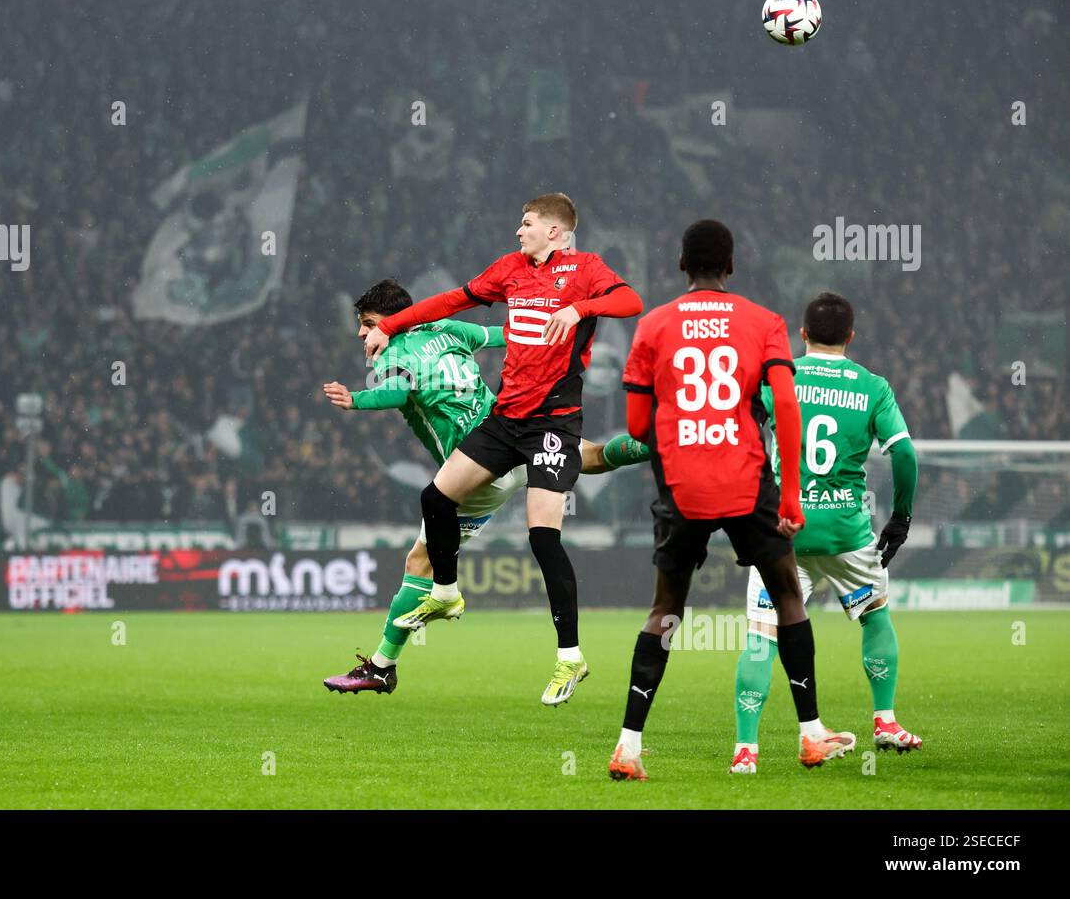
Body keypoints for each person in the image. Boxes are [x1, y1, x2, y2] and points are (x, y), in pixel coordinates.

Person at [362, 194, 644, 704]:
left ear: (555, 231)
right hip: (505, 419)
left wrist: (581, 307)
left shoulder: (586, 269)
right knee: (435, 498)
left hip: (553, 423)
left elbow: (630, 302)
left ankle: (569, 659)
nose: (519, 231)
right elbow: (450, 301)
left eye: (528, 223)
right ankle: (445, 594)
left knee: (542, 538)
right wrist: (389, 325)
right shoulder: (510, 269)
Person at [609, 219, 854, 782]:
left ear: (679, 264)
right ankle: (811, 734)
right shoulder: (764, 322)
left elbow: (637, 423)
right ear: (732, 266)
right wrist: (790, 495)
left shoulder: (653, 325)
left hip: (682, 485)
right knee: (788, 596)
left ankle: (628, 747)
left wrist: (683, 426)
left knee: (665, 612)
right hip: (747, 482)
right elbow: (786, 408)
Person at [730, 291, 921, 774]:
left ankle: (746, 750)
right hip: (845, 537)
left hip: (783, 531)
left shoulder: (780, 377)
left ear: (803, 333)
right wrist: (900, 516)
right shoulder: (872, 386)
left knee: (761, 639)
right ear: (851, 337)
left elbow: (741, 432)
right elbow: (904, 454)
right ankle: (885, 721)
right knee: (874, 617)